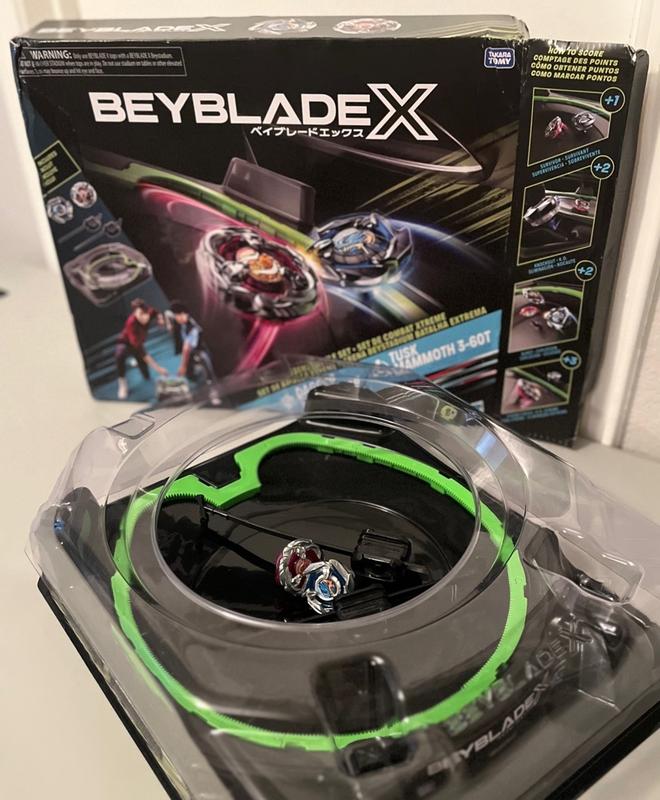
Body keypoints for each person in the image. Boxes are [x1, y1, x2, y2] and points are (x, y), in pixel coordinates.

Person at [115, 298, 167, 399]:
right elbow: (143, 352)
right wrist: (158, 369)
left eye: (145, 313)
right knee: (120, 355)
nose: (144, 317)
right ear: (135, 313)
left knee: (146, 374)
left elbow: (156, 312)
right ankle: (122, 383)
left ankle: (137, 363)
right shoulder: (131, 323)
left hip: (138, 343)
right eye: (140, 314)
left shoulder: (149, 313)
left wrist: (160, 320)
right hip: (126, 343)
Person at [166, 300, 216, 384]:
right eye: (177, 316)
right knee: (190, 376)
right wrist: (169, 324)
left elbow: (186, 347)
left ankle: (210, 378)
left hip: (198, 349)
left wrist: (183, 366)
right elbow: (168, 313)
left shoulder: (193, 328)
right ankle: (195, 375)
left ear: (186, 314)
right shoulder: (176, 320)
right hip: (188, 352)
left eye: (181, 315)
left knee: (202, 357)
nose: (179, 318)